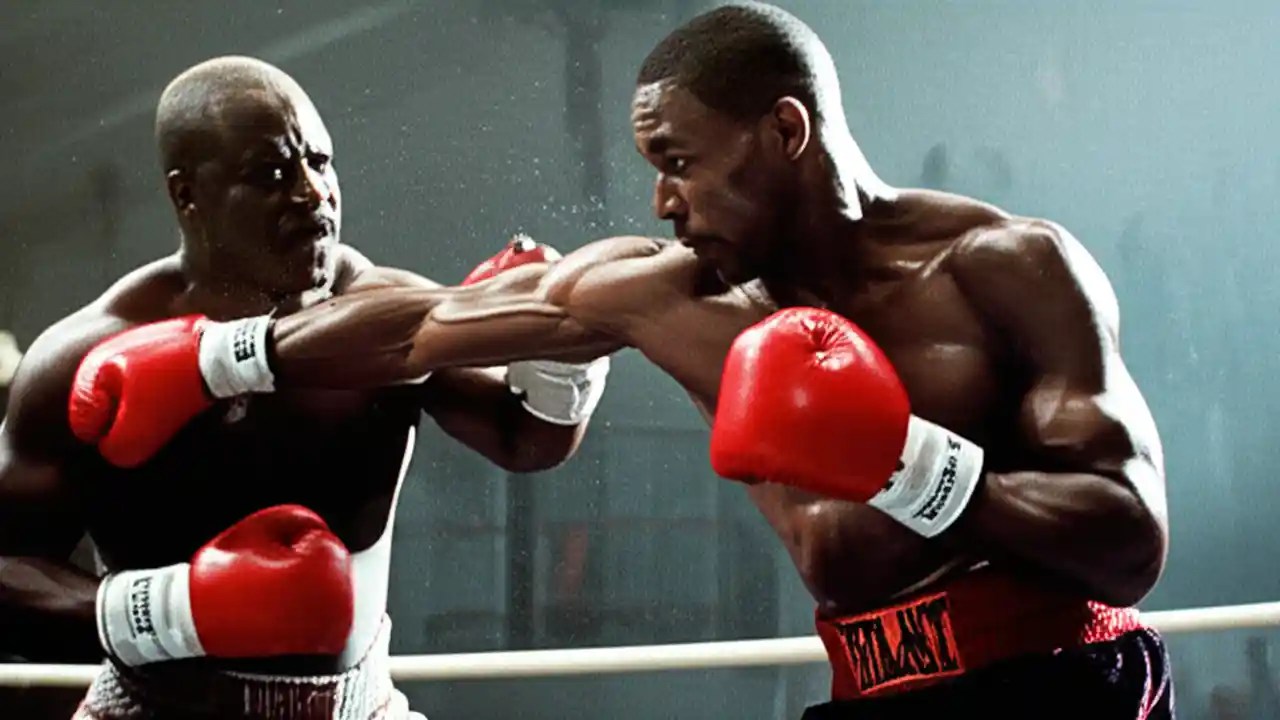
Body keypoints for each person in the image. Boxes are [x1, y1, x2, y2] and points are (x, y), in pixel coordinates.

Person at [73, 4, 1172, 717]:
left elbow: (1128, 547)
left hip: (1065, 684)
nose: (661, 199)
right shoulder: (663, 289)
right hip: (866, 692)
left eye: (680, 162)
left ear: (783, 133)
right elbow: (416, 330)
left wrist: (907, 462)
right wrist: (222, 358)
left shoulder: (1004, 266)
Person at [0, 56, 609, 720]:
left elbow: (529, 439)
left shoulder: (387, 313)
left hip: (361, 707)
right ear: (187, 195)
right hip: (155, 707)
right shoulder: (88, 353)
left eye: (320, 163)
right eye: (271, 173)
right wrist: (174, 611)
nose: (313, 194)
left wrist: (561, 357)